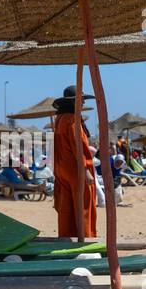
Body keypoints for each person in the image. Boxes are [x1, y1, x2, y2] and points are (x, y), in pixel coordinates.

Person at [52, 86, 96, 238]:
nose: (83, 102)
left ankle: (66, 236)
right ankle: (85, 238)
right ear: (74, 102)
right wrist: (85, 171)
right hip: (75, 169)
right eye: (82, 99)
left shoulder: (59, 120)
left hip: (61, 167)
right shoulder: (72, 120)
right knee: (83, 205)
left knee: (66, 206)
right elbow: (78, 147)